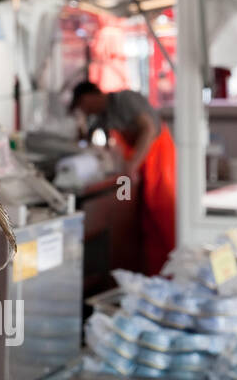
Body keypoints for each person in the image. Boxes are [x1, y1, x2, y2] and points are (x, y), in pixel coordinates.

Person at [70, 80, 176, 276]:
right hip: (133, 165)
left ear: (87, 98)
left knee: (161, 210)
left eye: (82, 107)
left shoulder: (124, 99)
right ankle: (151, 274)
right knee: (138, 215)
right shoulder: (102, 117)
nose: (84, 112)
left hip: (156, 157)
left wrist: (132, 164)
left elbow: (149, 129)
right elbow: (85, 141)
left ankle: (172, 273)